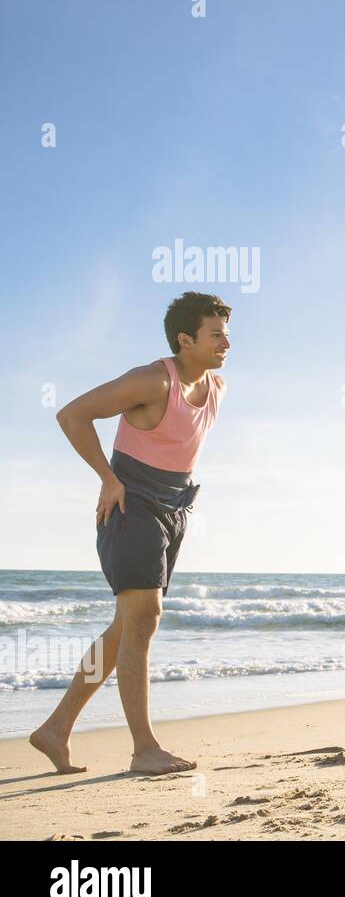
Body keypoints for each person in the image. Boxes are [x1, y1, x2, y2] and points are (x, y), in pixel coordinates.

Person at [29, 292, 232, 775]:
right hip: (131, 506)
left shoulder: (218, 386)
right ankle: (144, 749)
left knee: (126, 629)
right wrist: (108, 477)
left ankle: (54, 730)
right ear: (185, 339)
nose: (226, 342)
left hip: (175, 509)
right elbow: (72, 414)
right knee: (144, 619)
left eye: (227, 333)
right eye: (216, 334)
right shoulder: (150, 380)